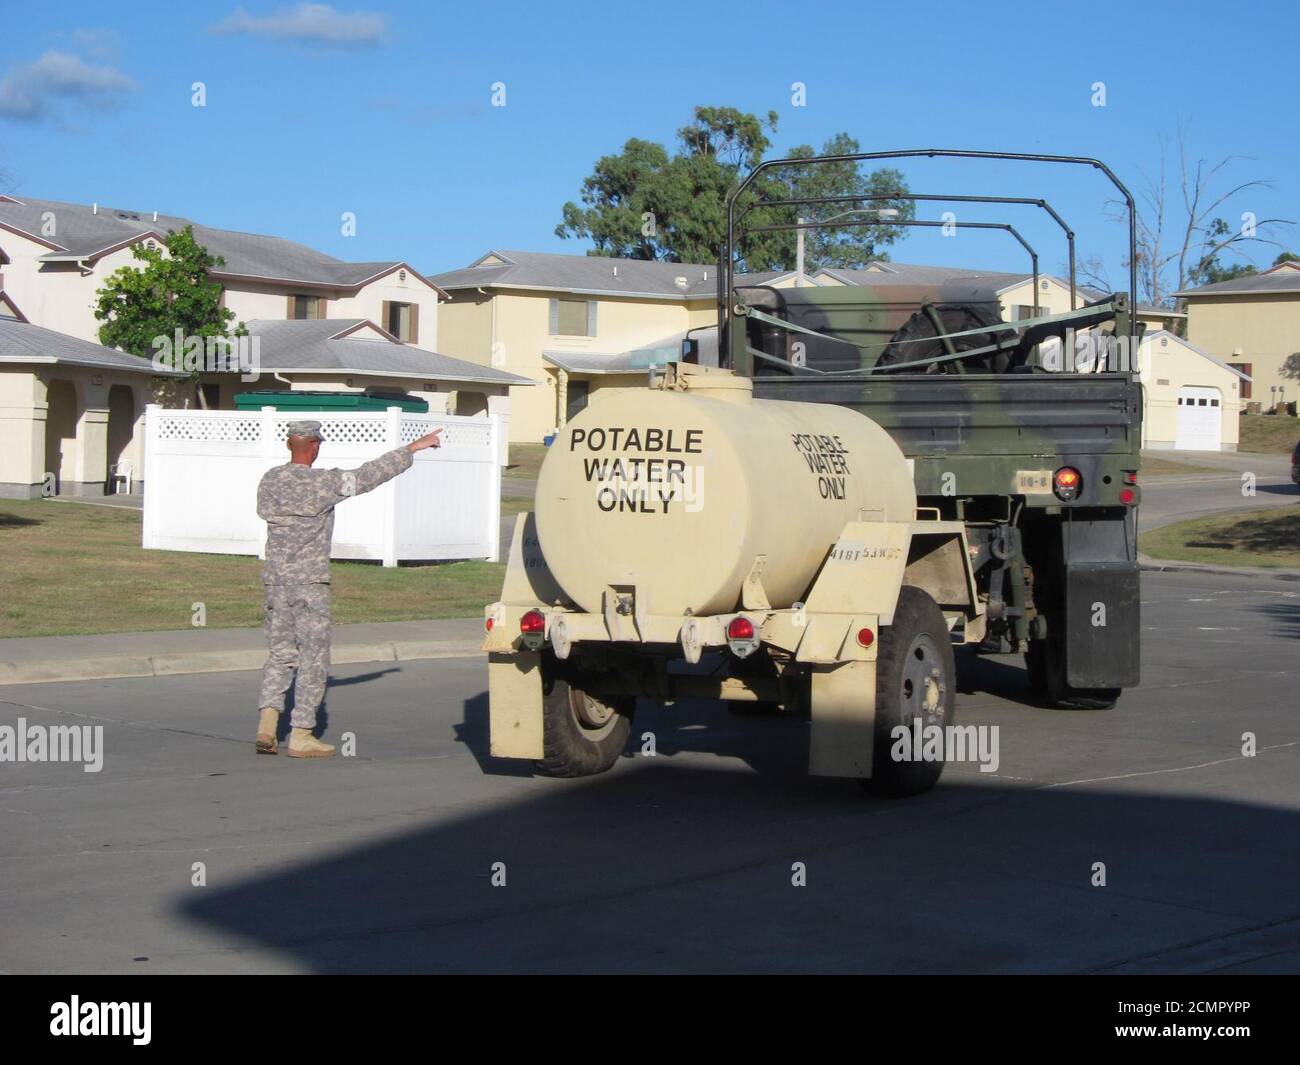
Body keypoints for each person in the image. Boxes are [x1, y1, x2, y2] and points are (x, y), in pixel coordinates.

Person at [254, 418, 444, 758]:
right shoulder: (324, 483)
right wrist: (412, 448)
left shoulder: (270, 480)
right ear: (314, 446)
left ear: (289, 445)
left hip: (275, 580)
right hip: (310, 582)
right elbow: (367, 476)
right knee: (313, 657)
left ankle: (267, 725)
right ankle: (301, 734)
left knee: (280, 653)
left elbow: (264, 511)